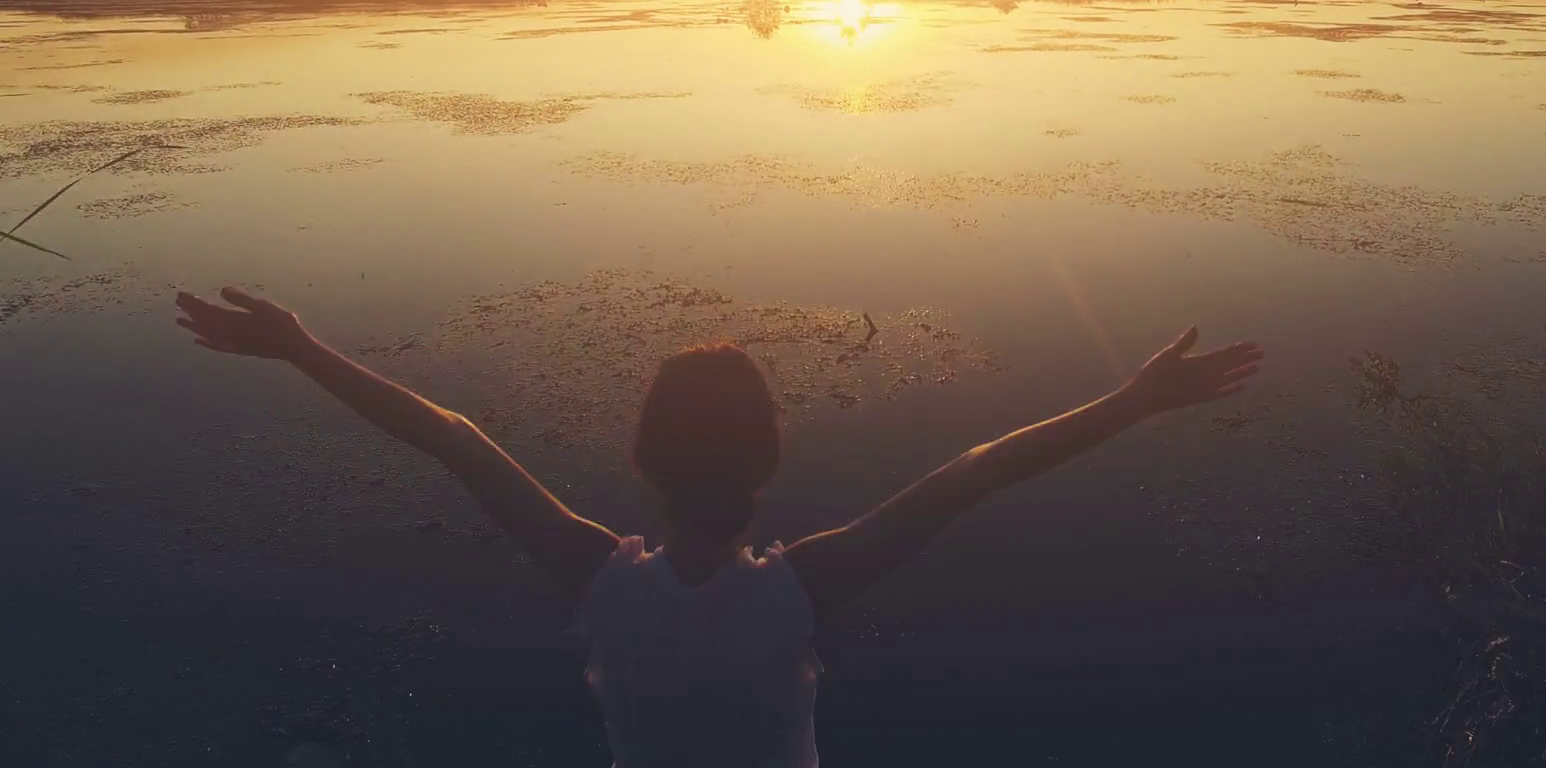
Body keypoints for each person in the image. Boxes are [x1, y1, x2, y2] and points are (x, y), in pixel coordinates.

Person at [174, 287, 1263, 768]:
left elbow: (452, 438)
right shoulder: (804, 592)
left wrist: (303, 348)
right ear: (768, 459)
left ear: (643, 461)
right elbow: (973, 474)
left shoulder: (592, 578)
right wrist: (1132, 401)